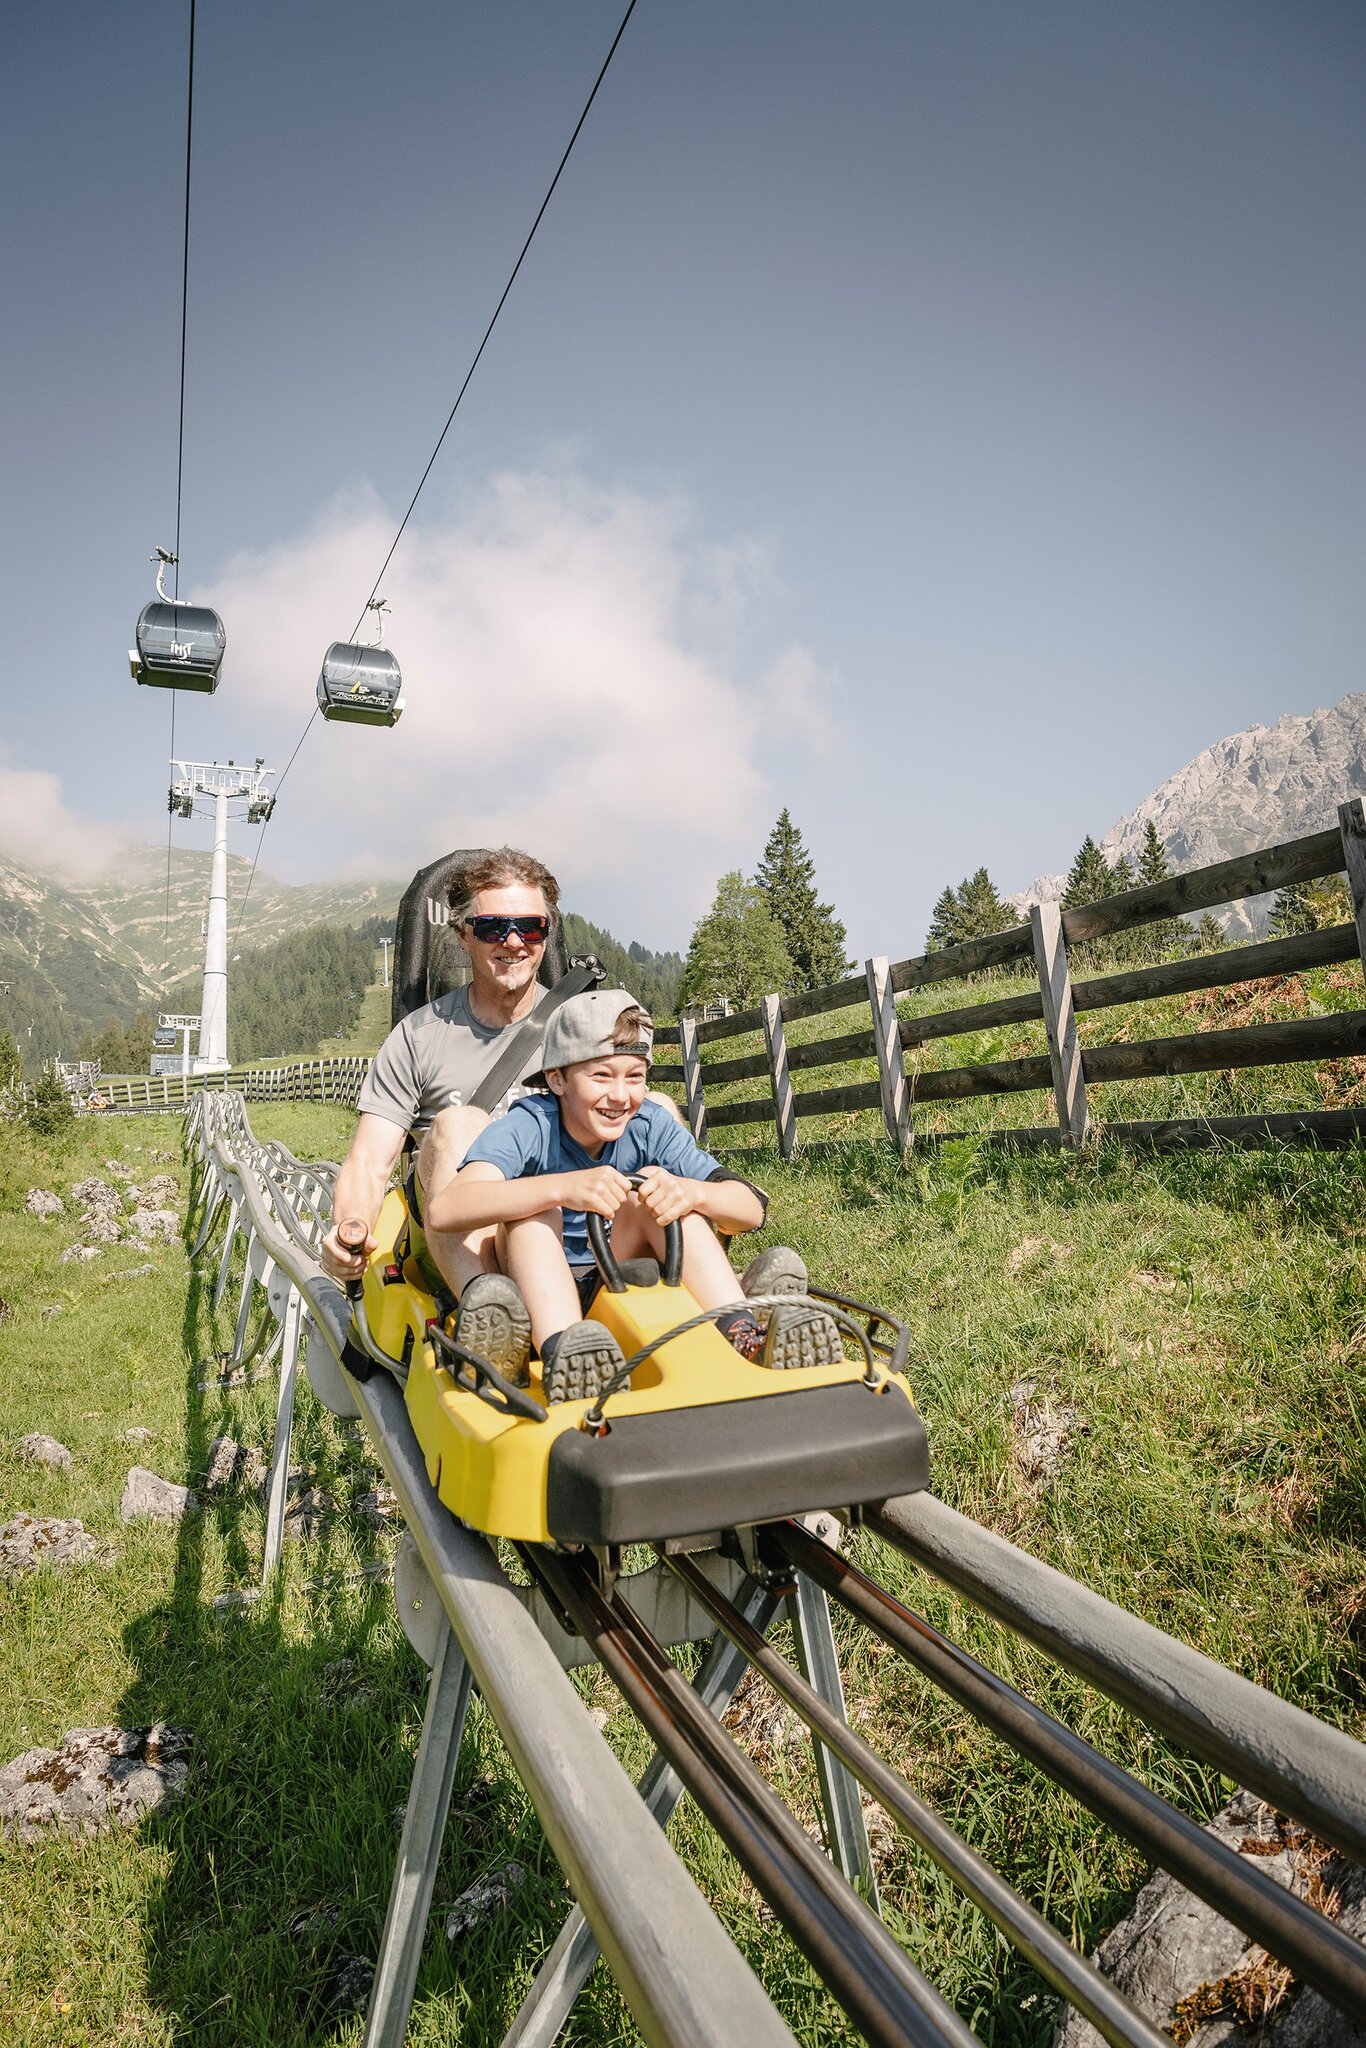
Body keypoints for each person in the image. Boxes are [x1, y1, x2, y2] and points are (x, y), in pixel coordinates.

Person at [426, 987, 841, 1402]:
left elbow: (750, 1210)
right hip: (538, 1281)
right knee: (537, 1214)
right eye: (601, 1075)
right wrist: (558, 1188)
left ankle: (743, 1333)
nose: (621, 1095)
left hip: (615, 1272)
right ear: (557, 1079)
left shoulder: (648, 1123)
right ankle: (566, 1355)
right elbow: (446, 1210)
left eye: (635, 1076)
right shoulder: (530, 1125)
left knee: (661, 1192)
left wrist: (690, 1192)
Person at [320, 846, 562, 1300]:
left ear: (545, 935)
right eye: (493, 927)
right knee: (459, 1125)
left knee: (658, 1107)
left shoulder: (581, 1026)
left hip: (558, 1224)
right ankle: (489, 1307)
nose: (513, 941)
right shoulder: (419, 1037)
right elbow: (371, 1162)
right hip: (456, 1237)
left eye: (529, 926)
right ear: (463, 937)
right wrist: (350, 1227)